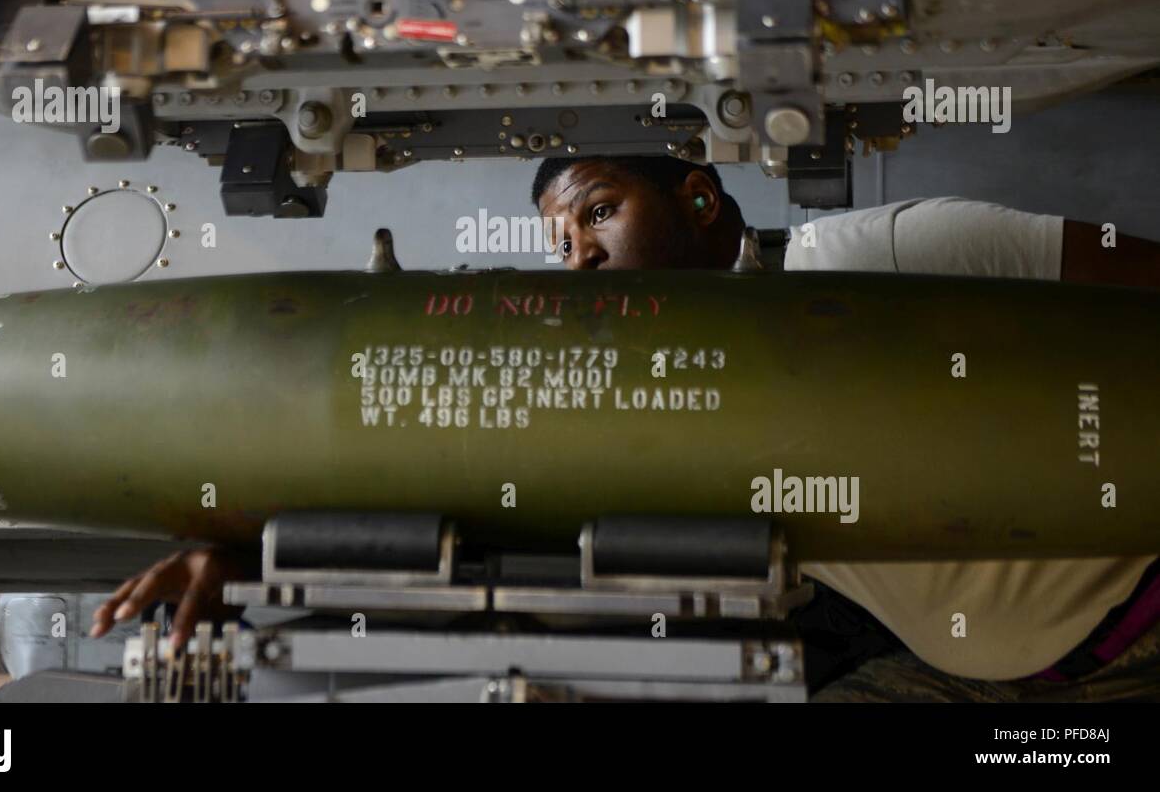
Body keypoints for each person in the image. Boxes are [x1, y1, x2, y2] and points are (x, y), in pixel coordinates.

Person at [94, 155, 1160, 699]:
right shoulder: (644, 420)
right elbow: (464, 508)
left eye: (598, 211)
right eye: (562, 240)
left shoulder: (901, 250)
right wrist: (245, 554)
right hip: (995, 682)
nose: (580, 256)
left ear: (703, 202)